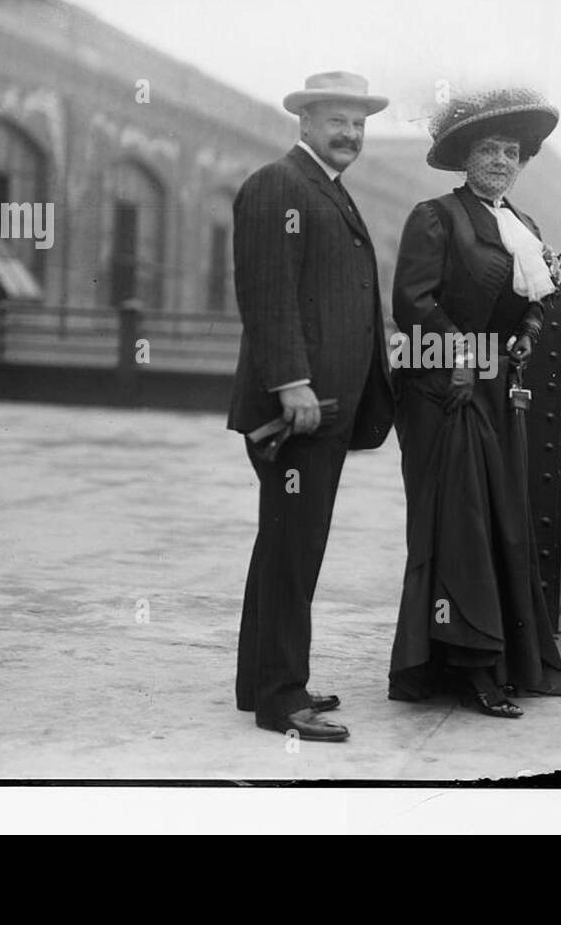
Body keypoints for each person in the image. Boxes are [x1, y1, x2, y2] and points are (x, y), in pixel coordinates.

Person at [387, 87, 561, 718]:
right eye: (489, 149)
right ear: (467, 157)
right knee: (455, 522)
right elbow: (412, 302)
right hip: (442, 390)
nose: (500, 161)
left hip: (497, 392)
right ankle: (461, 667)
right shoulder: (436, 217)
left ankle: (495, 660)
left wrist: (527, 333)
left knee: (498, 521)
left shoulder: (525, 228)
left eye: (511, 152)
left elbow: (538, 302)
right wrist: (462, 350)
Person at [227, 71, 396, 742]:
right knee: (295, 550)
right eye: (336, 121)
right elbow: (268, 296)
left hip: (324, 408)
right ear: (303, 122)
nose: (349, 134)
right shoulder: (280, 185)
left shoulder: (324, 190)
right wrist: (292, 383)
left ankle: (260, 683)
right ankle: (280, 697)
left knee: (283, 546)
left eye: (358, 124)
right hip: (299, 408)